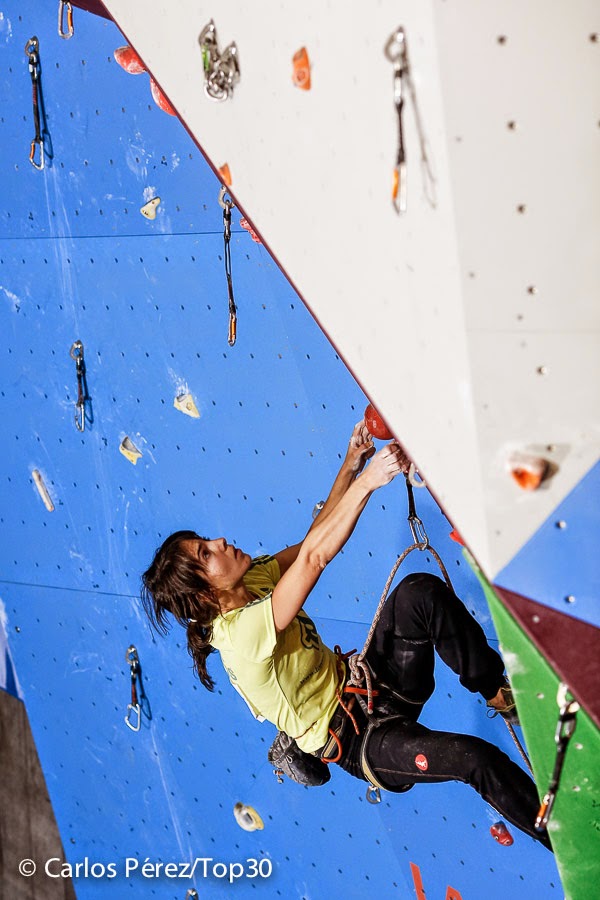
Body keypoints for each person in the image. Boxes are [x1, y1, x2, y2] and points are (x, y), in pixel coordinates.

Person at [141, 423, 550, 849]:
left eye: (206, 541)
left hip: (369, 683)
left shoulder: (252, 581)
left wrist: (352, 463)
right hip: (361, 740)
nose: (220, 540)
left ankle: (499, 694)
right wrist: (372, 481)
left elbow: (311, 541)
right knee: (474, 759)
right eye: (207, 553)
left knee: (419, 593)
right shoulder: (240, 635)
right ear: (207, 593)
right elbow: (316, 559)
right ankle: (571, 844)